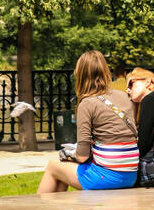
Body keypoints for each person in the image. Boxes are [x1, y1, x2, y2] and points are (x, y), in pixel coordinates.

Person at [37, 51, 139, 193]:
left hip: (108, 176)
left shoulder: (88, 103)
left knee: (53, 166)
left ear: (81, 75)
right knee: (62, 173)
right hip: (130, 174)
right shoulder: (123, 97)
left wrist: (70, 154)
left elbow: (83, 156)